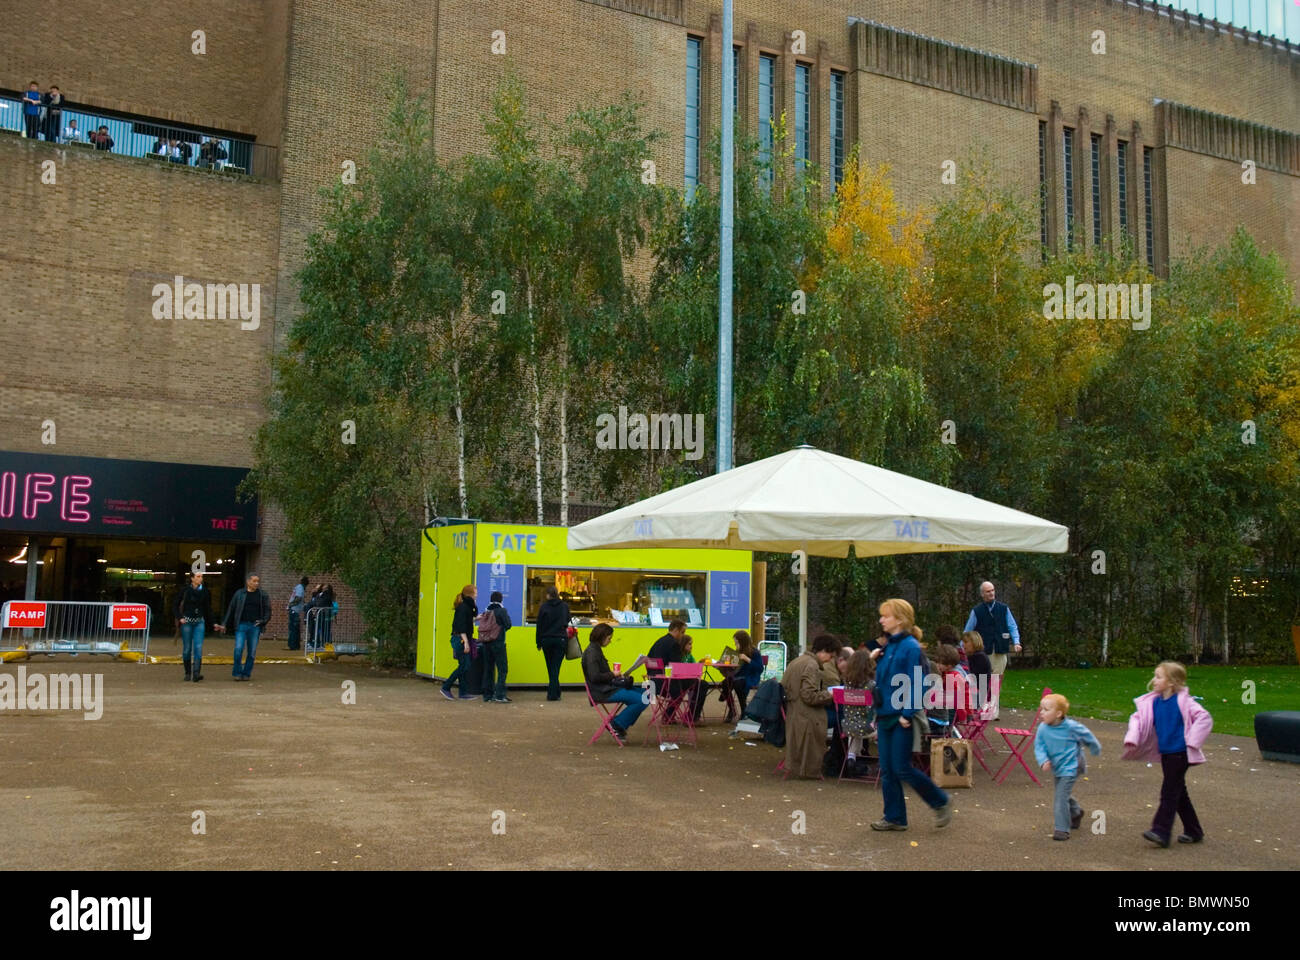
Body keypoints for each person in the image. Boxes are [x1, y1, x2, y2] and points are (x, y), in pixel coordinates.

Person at [869, 598, 953, 831]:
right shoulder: (890, 646)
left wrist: (908, 713)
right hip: (886, 715)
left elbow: (920, 683)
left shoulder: (910, 647)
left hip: (900, 717)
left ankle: (940, 801)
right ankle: (895, 817)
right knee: (888, 769)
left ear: (900, 619)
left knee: (901, 767)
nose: (881, 619)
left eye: (886, 615)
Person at [1123, 661, 1212, 848]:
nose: (1154, 680)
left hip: (1180, 753)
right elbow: (1137, 719)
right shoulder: (1153, 702)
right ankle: (1194, 831)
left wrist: (1193, 742)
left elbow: (1204, 718)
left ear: (1171, 682)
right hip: (1166, 752)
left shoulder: (1185, 702)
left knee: (1169, 792)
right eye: (1155, 675)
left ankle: (1161, 831)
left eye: (1158, 676)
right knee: (1179, 793)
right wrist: (1132, 738)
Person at [1034, 693, 1102, 841]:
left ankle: (1062, 829)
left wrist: (1094, 747)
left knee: (1060, 797)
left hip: (1072, 766)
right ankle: (1076, 812)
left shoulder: (1071, 727)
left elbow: (1087, 735)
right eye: (1041, 709)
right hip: (1058, 767)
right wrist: (1043, 760)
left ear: (1058, 714)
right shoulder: (1042, 729)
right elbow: (1039, 746)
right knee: (1062, 793)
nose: (1042, 712)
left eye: (1046, 709)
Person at [780, 634, 840, 779]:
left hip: (793, 711)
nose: (830, 660)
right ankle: (831, 764)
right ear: (824, 651)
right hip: (805, 714)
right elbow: (809, 696)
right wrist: (830, 695)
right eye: (830, 656)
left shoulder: (797, 661)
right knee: (840, 720)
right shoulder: (812, 665)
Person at [581, 623, 648, 743]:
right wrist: (613, 674)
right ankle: (617, 724)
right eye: (609, 638)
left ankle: (619, 724)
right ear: (602, 637)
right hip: (602, 691)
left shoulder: (594, 650)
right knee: (643, 698)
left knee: (647, 695)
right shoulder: (592, 652)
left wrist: (616, 676)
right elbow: (594, 676)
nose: (610, 641)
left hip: (606, 688)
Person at [963, 581, 1020, 719]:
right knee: (983, 681)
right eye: (988, 591)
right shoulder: (977, 611)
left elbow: (1012, 626)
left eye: (993, 590)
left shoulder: (1003, 608)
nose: (991, 593)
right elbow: (968, 630)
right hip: (983, 652)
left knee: (995, 681)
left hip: (1000, 650)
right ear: (982, 594)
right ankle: (981, 709)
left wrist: (1016, 642)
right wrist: (962, 647)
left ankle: (993, 712)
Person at [222, 573, 270, 681]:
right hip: (241, 624)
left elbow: (268, 610)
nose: (256, 583)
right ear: (248, 582)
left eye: (258, 581)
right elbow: (231, 608)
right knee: (238, 649)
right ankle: (237, 672)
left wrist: (263, 621)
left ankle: (247, 673)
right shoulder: (239, 594)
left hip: (255, 626)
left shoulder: (263, 595)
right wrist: (225, 623)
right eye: (254, 581)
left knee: (252, 652)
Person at [441, 583, 479, 701]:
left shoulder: (465, 607)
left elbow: (465, 622)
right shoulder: (464, 608)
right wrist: (466, 642)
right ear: (471, 594)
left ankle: (463, 692)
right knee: (465, 665)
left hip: (460, 639)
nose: (477, 595)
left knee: (463, 664)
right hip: (461, 640)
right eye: (475, 592)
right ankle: (446, 686)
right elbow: (461, 626)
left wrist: (477, 618)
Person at [177, 570, 217, 682]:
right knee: (187, 648)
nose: (201, 579)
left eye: (201, 576)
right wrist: (180, 617)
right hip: (187, 622)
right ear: (192, 578)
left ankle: (196, 673)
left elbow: (208, 608)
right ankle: (187, 672)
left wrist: (213, 622)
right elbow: (175, 604)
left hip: (199, 621)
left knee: (198, 648)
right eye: (198, 576)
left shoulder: (205, 591)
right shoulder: (185, 590)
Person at [535, 586, 570, 701]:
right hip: (561, 640)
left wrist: (538, 642)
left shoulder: (543, 607)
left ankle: (553, 694)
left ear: (548, 595)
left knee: (551, 667)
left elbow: (539, 625)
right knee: (555, 667)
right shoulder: (564, 606)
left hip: (546, 640)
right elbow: (568, 620)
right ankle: (555, 693)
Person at [841, 648, 876, 765]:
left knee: (856, 727)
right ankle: (885, 762)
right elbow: (871, 710)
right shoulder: (871, 685)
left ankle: (851, 756)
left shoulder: (847, 683)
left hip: (847, 726)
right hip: (867, 728)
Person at [721, 629, 764, 722]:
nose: (735, 645)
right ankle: (732, 709)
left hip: (750, 677)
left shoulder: (754, 652)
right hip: (738, 676)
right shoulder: (738, 652)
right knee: (725, 683)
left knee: (738, 683)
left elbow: (760, 668)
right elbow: (736, 669)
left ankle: (744, 710)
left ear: (743, 642)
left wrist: (747, 659)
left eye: (737, 643)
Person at [480, 590, 512, 703]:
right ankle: (499, 694)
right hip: (498, 643)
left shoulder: (486, 610)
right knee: (502, 669)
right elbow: (508, 625)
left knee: (488, 669)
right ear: (501, 599)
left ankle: (488, 695)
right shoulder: (501, 611)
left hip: (486, 644)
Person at [963, 631, 992, 710]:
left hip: (978, 694)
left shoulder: (979, 658)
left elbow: (971, 677)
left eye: (966, 642)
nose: (963, 645)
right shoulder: (976, 656)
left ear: (974, 642)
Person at [286, 575, 308, 650]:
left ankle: (293, 645)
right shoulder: (302, 588)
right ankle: (295, 645)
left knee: (293, 628)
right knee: (295, 628)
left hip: (294, 610)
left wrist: (290, 605)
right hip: (296, 610)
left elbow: (298, 598)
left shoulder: (299, 587)